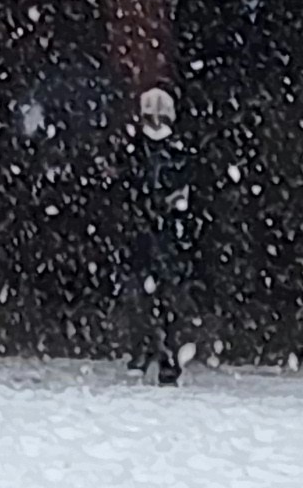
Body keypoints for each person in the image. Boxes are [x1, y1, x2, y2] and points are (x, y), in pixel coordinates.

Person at [125, 84, 194, 384]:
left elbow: (183, 191)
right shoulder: (135, 149)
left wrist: (168, 207)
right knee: (140, 292)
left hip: (167, 234)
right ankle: (146, 346)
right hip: (144, 232)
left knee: (168, 294)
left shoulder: (176, 152)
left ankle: (167, 353)